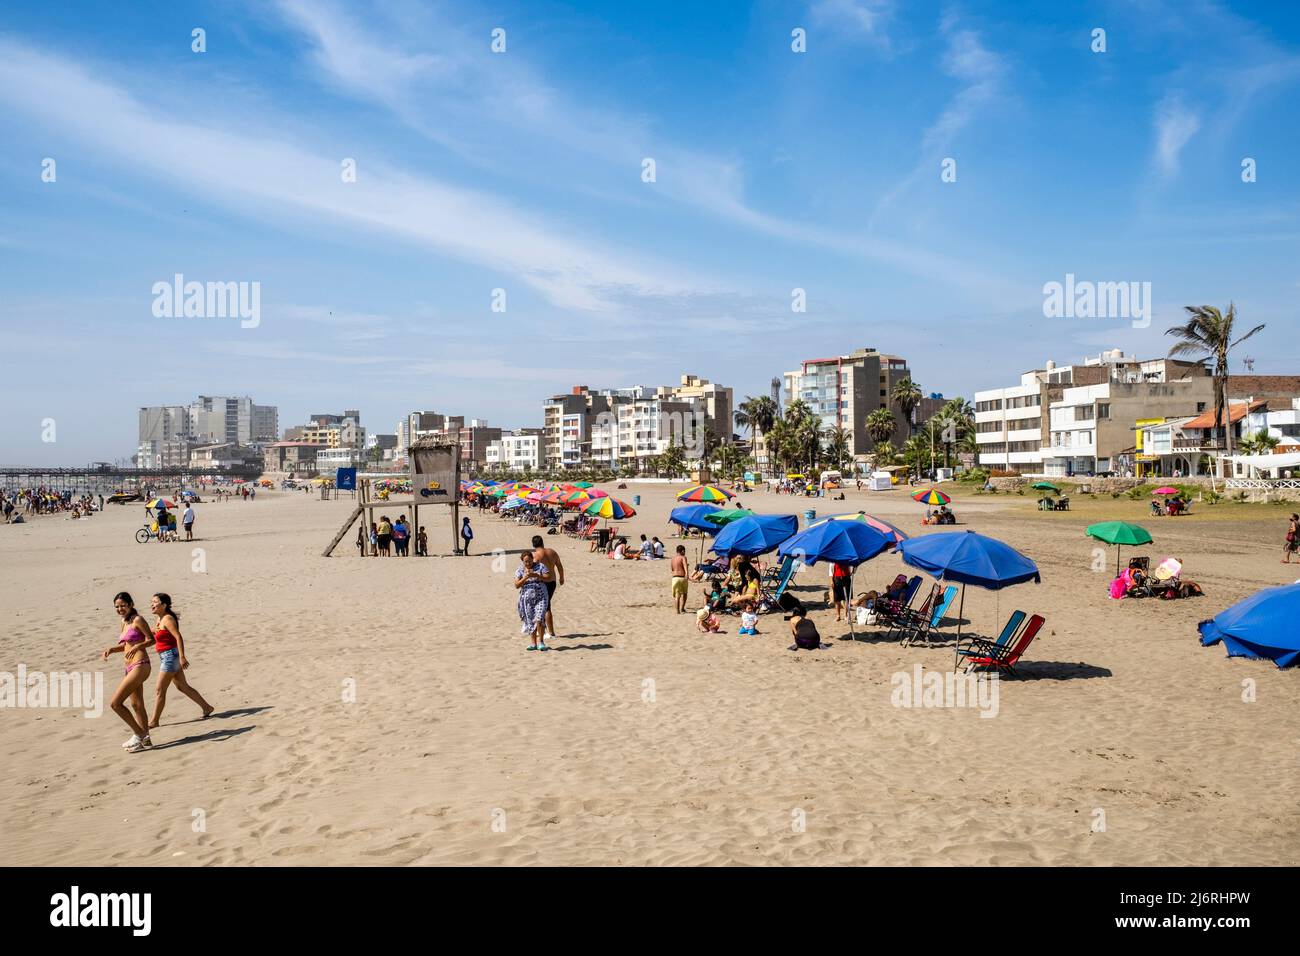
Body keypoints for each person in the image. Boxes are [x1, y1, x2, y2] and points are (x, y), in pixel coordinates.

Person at [147, 593, 213, 728]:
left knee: (160, 689)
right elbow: (156, 631)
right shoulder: (160, 619)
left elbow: (178, 637)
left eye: (155, 602)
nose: (151, 604)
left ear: (164, 605)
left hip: (170, 657)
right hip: (169, 656)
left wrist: (183, 657)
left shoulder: (168, 619)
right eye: (151, 602)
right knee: (182, 686)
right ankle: (207, 707)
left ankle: (154, 721)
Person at [103, 592, 155, 752]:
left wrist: (138, 646)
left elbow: (151, 640)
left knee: (115, 703)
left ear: (131, 604)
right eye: (117, 607)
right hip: (129, 667)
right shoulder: (124, 622)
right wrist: (112, 649)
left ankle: (138, 734)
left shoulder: (138, 619)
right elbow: (127, 646)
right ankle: (145, 740)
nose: (120, 609)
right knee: (136, 704)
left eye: (123, 605)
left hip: (141, 664)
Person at [515, 550, 551, 651]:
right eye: (525, 562)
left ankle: (541, 642)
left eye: (529, 561)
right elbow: (516, 585)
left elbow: (548, 577)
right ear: (522, 562)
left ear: (532, 559)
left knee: (539, 618)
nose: (528, 563)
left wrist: (536, 575)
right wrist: (525, 578)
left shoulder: (540, 566)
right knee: (530, 621)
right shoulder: (520, 570)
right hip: (526, 599)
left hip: (541, 596)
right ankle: (533, 643)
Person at [532, 534, 565, 641]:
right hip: (553, 582)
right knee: (545, 605)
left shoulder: (536, 555)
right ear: (542, 542)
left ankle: (550, 632)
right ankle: (541, 629)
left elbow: (532, 570)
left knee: (546, 607)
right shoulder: (552, 552)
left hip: (543, 582)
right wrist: (562, 578)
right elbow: (559, 565)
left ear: (533, 544)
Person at [670, 545, 690, 613]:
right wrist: (687, 574)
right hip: (682, 577)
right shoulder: (683, 557)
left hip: (675, 578)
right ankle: (682, 608)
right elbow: (684, 566)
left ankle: (677, 611)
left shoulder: (673, 559)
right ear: (682, 551)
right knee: (684, 594)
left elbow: (672, 569)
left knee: (677, 595)